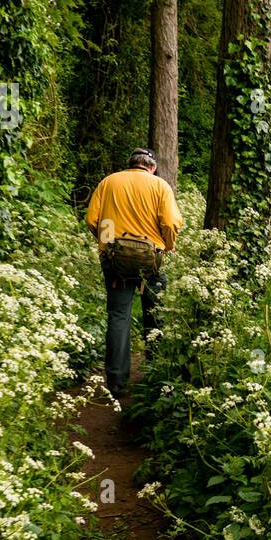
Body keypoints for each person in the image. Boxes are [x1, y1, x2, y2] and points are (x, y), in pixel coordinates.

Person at [85, 148, 184, 397]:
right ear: (151, 167)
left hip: (116, 261)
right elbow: (171, 223)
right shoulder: (160, 186)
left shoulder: (109, 182)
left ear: (130, 164)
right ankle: (155, 372)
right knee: (155, 314)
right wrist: (168, 245)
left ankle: (117, 382)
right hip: (151, 260)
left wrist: (108, 245)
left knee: (118, 316)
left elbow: (92, 219)